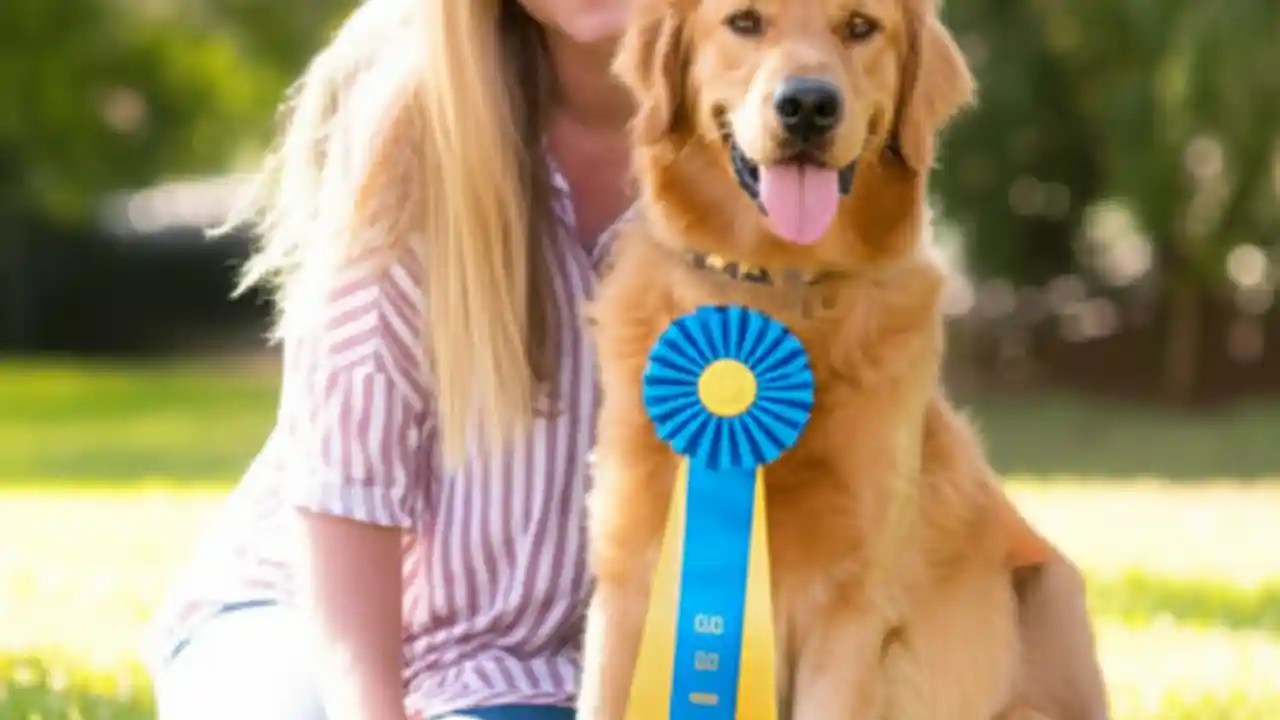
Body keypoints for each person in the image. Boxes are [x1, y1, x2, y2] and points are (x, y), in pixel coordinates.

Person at [142, 0, 1108, 719]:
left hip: (570, 667)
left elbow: (871, 491)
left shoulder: (799, 147)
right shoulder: (413, 122)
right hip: (323, 619)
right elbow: (343, 490)